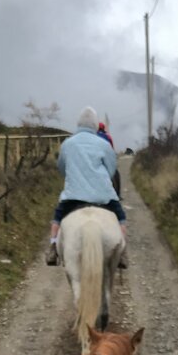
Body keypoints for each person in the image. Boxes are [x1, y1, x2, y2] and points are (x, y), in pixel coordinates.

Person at [46, 106, 127, 268]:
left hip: (73, 196)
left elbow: (62, 168)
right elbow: (111, 169)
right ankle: (123, 253)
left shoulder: (67, 144)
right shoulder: (103, 144)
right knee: (121, 218)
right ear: (95, 125)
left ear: (78, 124)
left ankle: (53, 247)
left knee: (57, 218)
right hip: (103, 197)